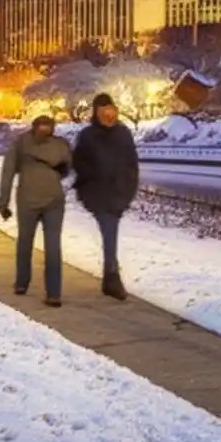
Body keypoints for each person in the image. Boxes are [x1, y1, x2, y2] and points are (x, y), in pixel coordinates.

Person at [0, 115, 71, 308]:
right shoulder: (61, 145)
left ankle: (22, 283)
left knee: (25, 241)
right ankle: (54, 293)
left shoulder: (21, 143)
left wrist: (3, 202)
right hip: (54, 199)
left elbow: (8, 172)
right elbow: (67, 170)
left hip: (27, 199)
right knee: (53, 246)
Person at [73, 92, 139, 301]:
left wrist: (129, 190)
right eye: (103, 112)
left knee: (110, 234)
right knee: (110, 233)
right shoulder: (87, 136)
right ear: (96, 113)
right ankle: (113, 279)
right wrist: (89, 186)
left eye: (111, 111)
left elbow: (132, 164)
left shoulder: (124, 134)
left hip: (119, 194)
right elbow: (79, 164)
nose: (108, 116)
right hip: (98, 194)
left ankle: (109, 279)